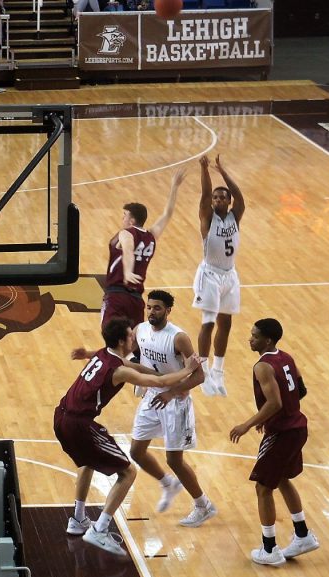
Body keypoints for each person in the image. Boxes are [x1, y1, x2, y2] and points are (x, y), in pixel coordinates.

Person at [56, 317, 201, 556]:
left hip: (61, 416)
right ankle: (100, 529)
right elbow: (158, 381)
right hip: (79, 424)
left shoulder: (103, 355)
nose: (134, 337)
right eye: (130, 335)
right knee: (128, 472)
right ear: (123, 341)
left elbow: (142, 369)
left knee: (87, 461)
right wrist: (187, 370)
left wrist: (164, 377)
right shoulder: (119, 370)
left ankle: (78, 519)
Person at [229, 319, 319, 566]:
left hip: (282, 433)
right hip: (297, 427)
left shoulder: (263, 366)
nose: (250, 339)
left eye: (255, 336)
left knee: (262, 488)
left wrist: (247, 424)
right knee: (281, 479)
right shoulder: (286, 357)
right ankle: (302, 535)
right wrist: (268, 416)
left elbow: (275, 402)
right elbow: (300, 390)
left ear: (267, 340)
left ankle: (269, 549)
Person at [127, 291, 216, 528]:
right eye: (149, 307)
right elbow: (130, 354)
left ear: (168, 311)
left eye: (157, 308)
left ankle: (203, 505)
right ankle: (168, 484)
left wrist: (171, 392)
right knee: (136, 451)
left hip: (175, 401)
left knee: (174, 460)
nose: (151, 312)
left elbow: (199, 375)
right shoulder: (140, 330)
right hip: (152, 396)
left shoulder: (179, 338)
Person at [100, 166, 186, 329]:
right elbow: (167, 214)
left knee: (110, 336)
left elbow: (128, 250)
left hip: (116, 295)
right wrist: (174, 187)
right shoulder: (151, 236)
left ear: (132, 221)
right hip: (136, 299)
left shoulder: (126, 233)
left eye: (124, 216)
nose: (122, 219)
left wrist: (127, 272)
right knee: (135, 340)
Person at [193, 155, 244, 397]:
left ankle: (218, 371)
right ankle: (202, 371)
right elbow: (204, 195)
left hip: (230, 275)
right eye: (216, 197)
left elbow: (240, 197)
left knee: (226, 323)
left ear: (228, 201)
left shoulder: (235, 216)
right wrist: (205, 170)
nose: (218, 200)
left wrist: (223, 171)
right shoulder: (207, 216)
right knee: (208, 322)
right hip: (210, 274)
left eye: (223, 197)